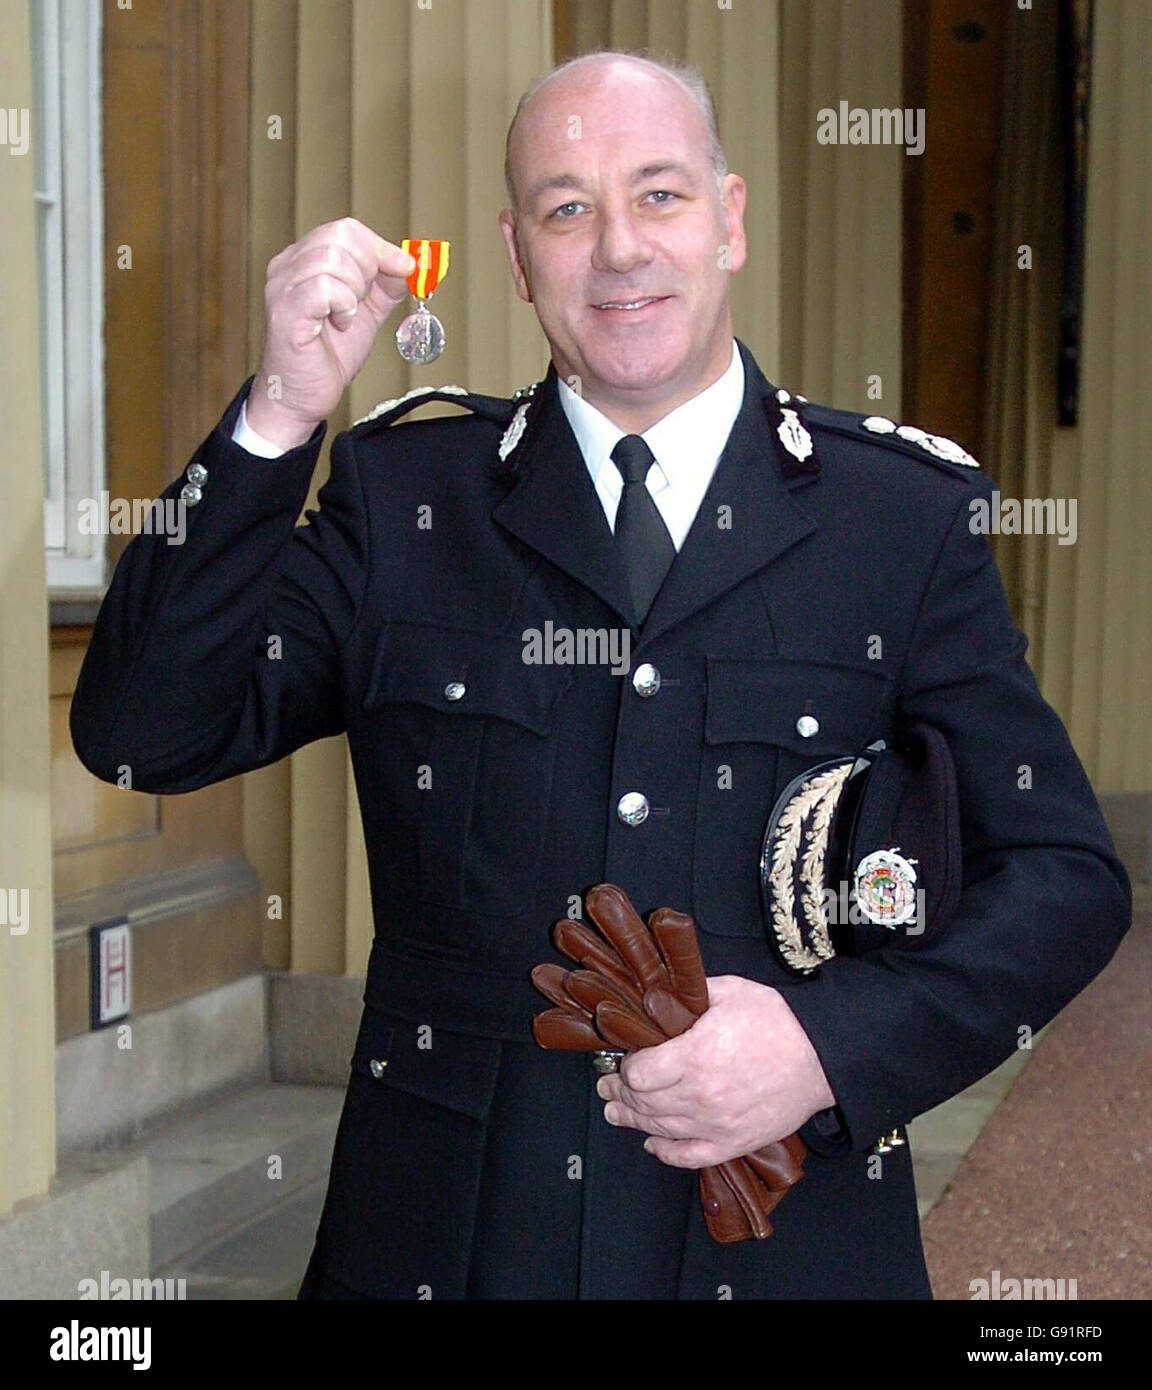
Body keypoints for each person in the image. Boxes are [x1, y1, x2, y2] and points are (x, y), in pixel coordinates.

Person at [71, 50, 1130, 1299]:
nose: (619, 248)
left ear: (730, 223)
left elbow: (1064, 879)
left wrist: (824, 1047)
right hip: (454, 1243)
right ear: (518, 258)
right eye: (568, 208)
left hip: (780, 1235)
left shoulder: (892, 521)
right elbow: (146, 731)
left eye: (661, 194)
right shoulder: (408, 500)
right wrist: (276, 417)